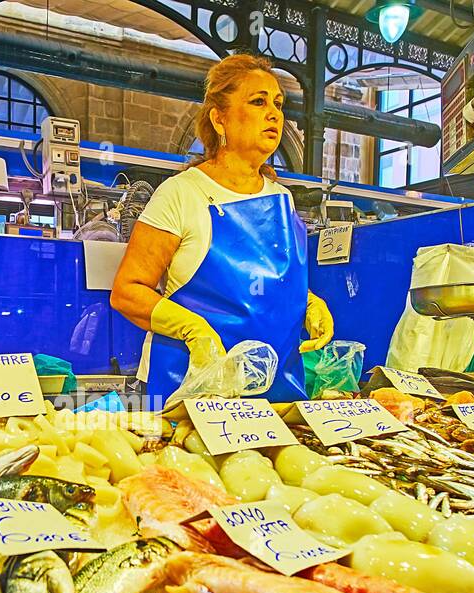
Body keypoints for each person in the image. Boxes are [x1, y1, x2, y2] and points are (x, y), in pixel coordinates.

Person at [110, 54, 333, 404]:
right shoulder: (183, 192)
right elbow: (127, 291)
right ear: (219, 118)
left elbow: (270, 282)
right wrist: (193, 329)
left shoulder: (283, 199)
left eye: (278, 103)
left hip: (277, 393)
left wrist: (308, 303)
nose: (274, 114)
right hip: (190, 393)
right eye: (258, 102)